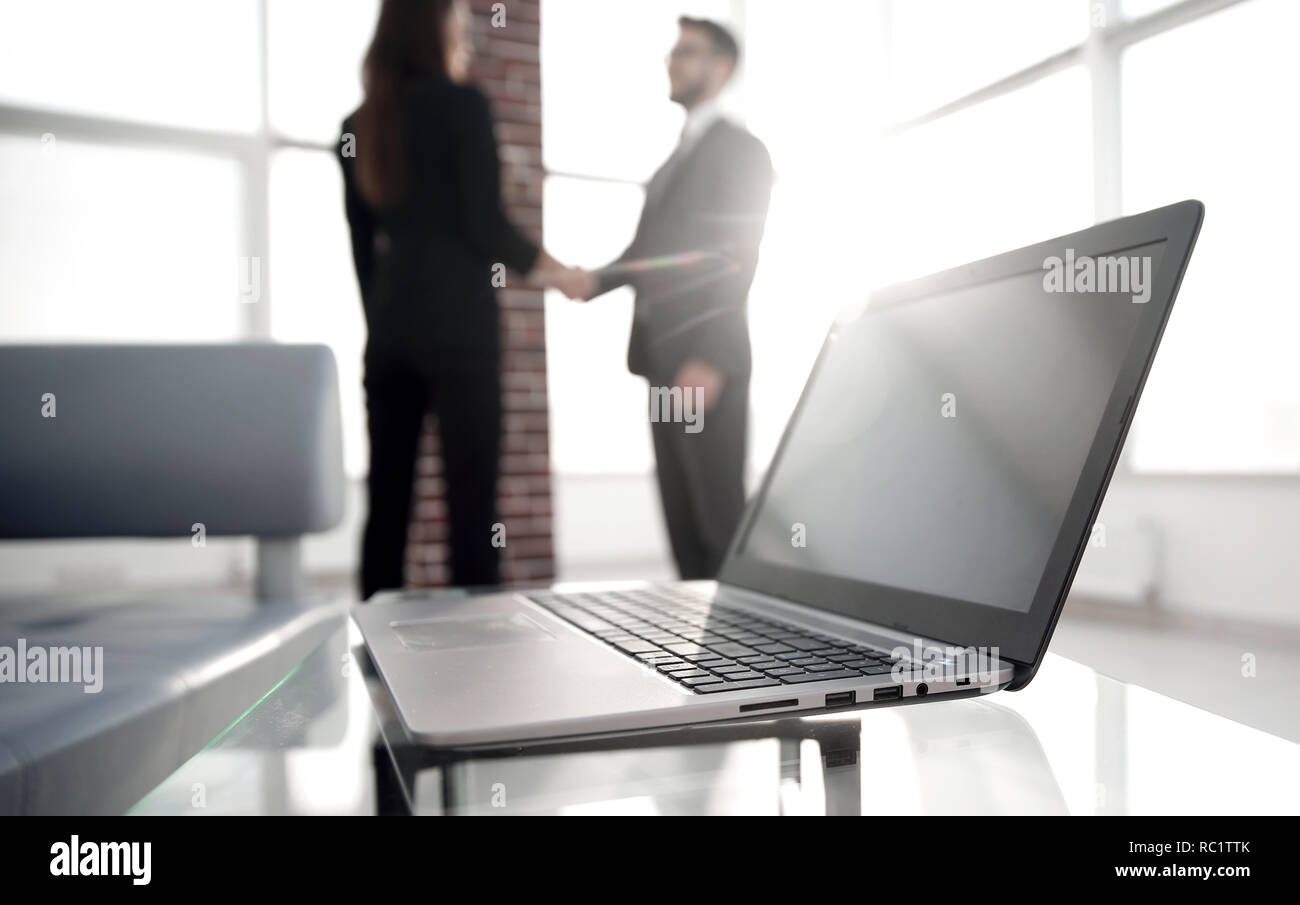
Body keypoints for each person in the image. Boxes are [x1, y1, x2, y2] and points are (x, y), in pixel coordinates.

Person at [340, 0, 584, 599]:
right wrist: (560, 273)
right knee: (472, 506)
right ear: (435, 27)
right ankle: (478, 660)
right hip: (463, 338)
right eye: (457, 20)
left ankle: (373, 649)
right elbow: (487, 225)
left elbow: (364, 255)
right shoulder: (463, 105)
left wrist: (387, 328)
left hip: (391, 339)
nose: (464, 31)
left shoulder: (357, 125)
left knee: (387, 505)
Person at [566, 17, 773, 579]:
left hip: (705, 364)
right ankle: (706, 663)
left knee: (717, 518)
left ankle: (751, 657)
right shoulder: (668, 168)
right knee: (683, 525)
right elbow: (648, 253)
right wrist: (592, 281)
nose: (671, 61)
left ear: (721, 66)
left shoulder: (741, 150)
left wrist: (711, 356)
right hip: (661, 362)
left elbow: (739, 253)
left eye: (687, 52)